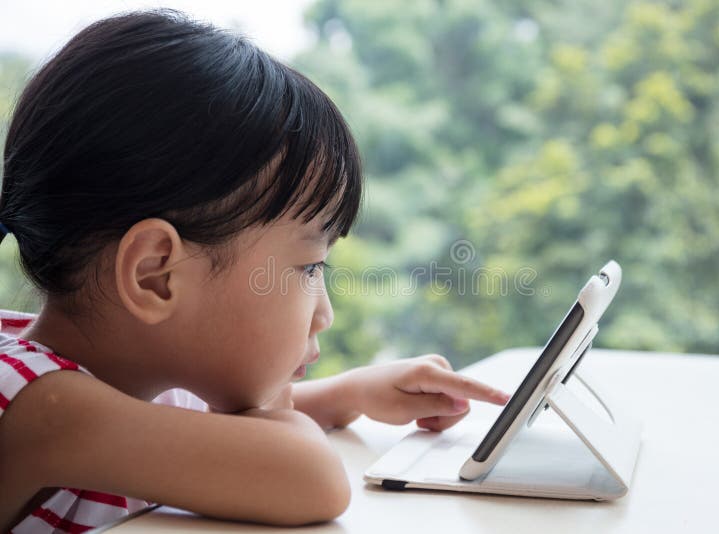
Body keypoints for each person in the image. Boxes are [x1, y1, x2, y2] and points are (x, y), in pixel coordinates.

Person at [0, 8, 510, 532]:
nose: (325, 315)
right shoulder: (43, 410)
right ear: (156, 275)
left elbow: (191, 429)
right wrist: (281, 401)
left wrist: (349, 393)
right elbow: (310, 477)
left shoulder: (127, 378)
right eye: (309, 267)